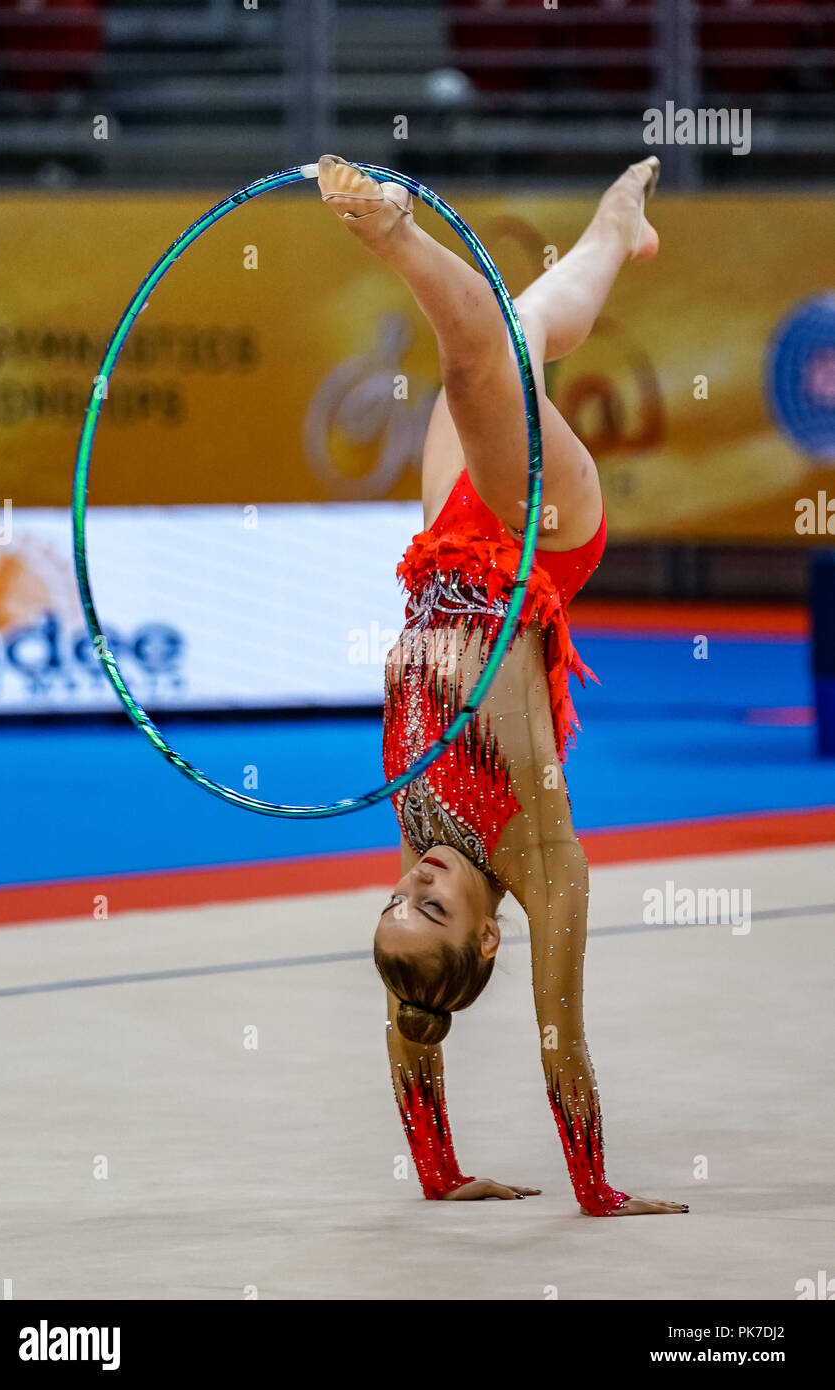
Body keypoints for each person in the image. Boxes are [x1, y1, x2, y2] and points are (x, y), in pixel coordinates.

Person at [318, 153, 686, 1215]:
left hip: (443, 546)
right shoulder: (542, 858)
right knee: (485, 366)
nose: (412, 876)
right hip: (538, 546)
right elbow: (560, 1034)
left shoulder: (420, 831)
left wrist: (438, 1175)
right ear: (487, 934)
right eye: (427, 902)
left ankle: (616, 230)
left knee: (514, 334)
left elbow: (411, 1010)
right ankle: (389, 233)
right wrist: (597, 1192)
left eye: (394, 897)